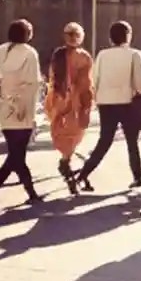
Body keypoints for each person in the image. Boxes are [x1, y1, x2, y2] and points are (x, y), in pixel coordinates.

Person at [79, 20, 141, 190]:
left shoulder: (102, 55)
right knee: (132, 142)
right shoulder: (135, 54)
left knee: (104, 141)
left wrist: (96, 99)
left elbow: (94, 79)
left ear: (110, 38)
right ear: (128, 36)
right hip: (128, 103)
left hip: (106, 103)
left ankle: (83, 175)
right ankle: (137, 177)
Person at [0, 19, 44, 206]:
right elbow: (32, 83)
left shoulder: (0, 51)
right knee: (16, 156)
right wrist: (32, 110)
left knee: (16, 154)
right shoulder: (30, 53)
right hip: (23, 108)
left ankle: (31, 193)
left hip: (6, 106)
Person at [45, 22, 94, 194]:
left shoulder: (85, 57)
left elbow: (87, 83)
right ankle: (66, 164)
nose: (73, 38)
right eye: (70, 34)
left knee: (75, 135)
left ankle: (67, 163)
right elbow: (53, 79)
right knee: (63, 134)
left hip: (75, 102)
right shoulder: (59, 55)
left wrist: (86, 104)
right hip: (61, 101)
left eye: (76, 34)